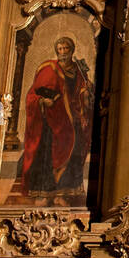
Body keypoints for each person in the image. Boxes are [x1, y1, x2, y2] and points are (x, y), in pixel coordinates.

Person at [21, 36, 94, 201]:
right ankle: (45, 193)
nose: (62, 53)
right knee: (48, 152)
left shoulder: (78, 70)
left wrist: (86, 90)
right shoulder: (49, 68)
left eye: (66, 49)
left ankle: (65, 192)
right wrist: (42, 101)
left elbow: (82, 92)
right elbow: (33, 94)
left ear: (72, 50)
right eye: (60, 49)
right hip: (53, 118)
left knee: (74, 150)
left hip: (72, 117)